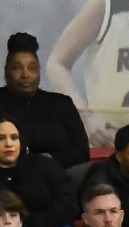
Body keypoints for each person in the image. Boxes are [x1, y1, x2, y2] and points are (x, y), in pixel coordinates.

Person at [0, 34, 88, 169]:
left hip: (55, 177)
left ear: (39, 72)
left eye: (32, 68)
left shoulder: (61, 104)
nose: (25, 74)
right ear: (6, 71)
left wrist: (50, 159)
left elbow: (82, 152)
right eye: (17, 68)